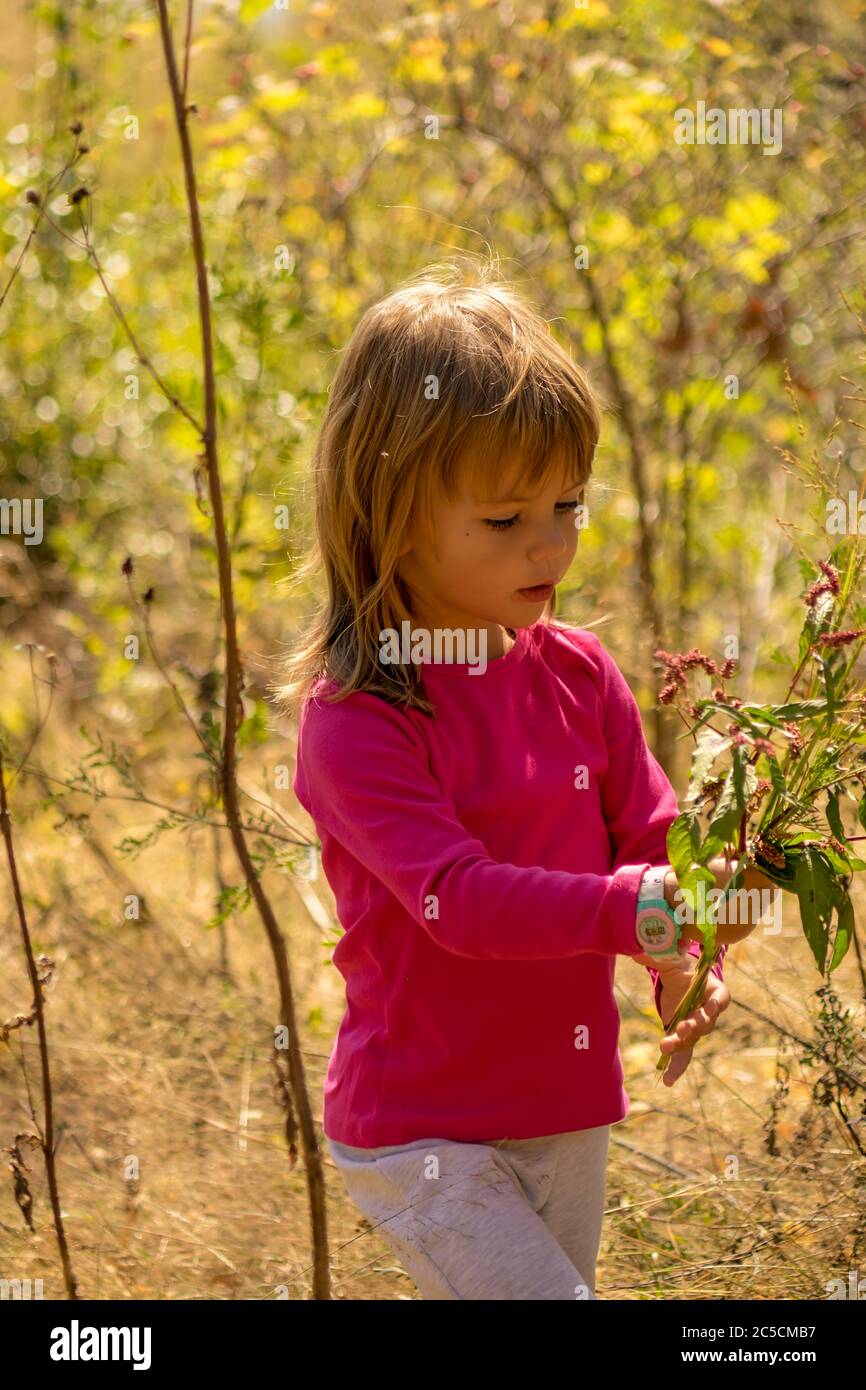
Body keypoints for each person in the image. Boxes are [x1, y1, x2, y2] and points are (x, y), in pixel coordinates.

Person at [271, 258, 775, 1300]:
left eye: (567, 504)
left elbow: (647, 833)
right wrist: (638, 912)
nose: (550, 541)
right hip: (422, 1129)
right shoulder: (360, 717)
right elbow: (457, 898)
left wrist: (685, 939)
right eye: (504, 520)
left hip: (562, 1100)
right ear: (389, 512)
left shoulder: (578, 672)